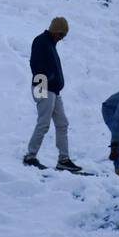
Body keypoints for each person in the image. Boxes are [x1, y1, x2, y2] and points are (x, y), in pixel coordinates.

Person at [23, 17, 83, 173]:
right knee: (44, 123)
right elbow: (35, 65)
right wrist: (47, 78)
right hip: (43, 86)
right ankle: (30, 156)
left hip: (53, 90)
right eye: (61, 35)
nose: (62, 38)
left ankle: (64, 159)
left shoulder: (50, 43)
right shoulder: (41, 41)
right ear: (56, 31)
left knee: (62, 123)